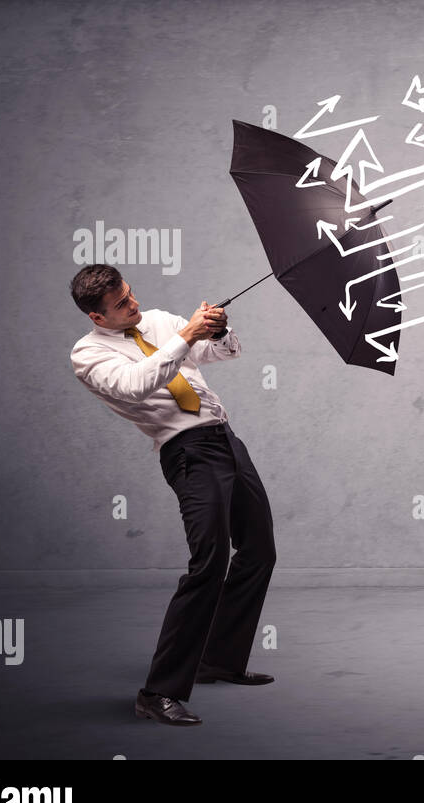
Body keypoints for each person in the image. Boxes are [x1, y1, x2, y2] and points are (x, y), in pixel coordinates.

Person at [69, 264, 277, 727]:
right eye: (121, 304)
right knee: (208, 563)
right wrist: (185, 336)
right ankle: (157, 691)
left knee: (260, 549)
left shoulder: (160, 320)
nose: (134, 305)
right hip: (187, 451)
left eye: (130, 293)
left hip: (225, 438)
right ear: (97, 317)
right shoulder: (87, 354)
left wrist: (218, 330)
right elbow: (136, 384)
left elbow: (224, 353)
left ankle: (218, 660)